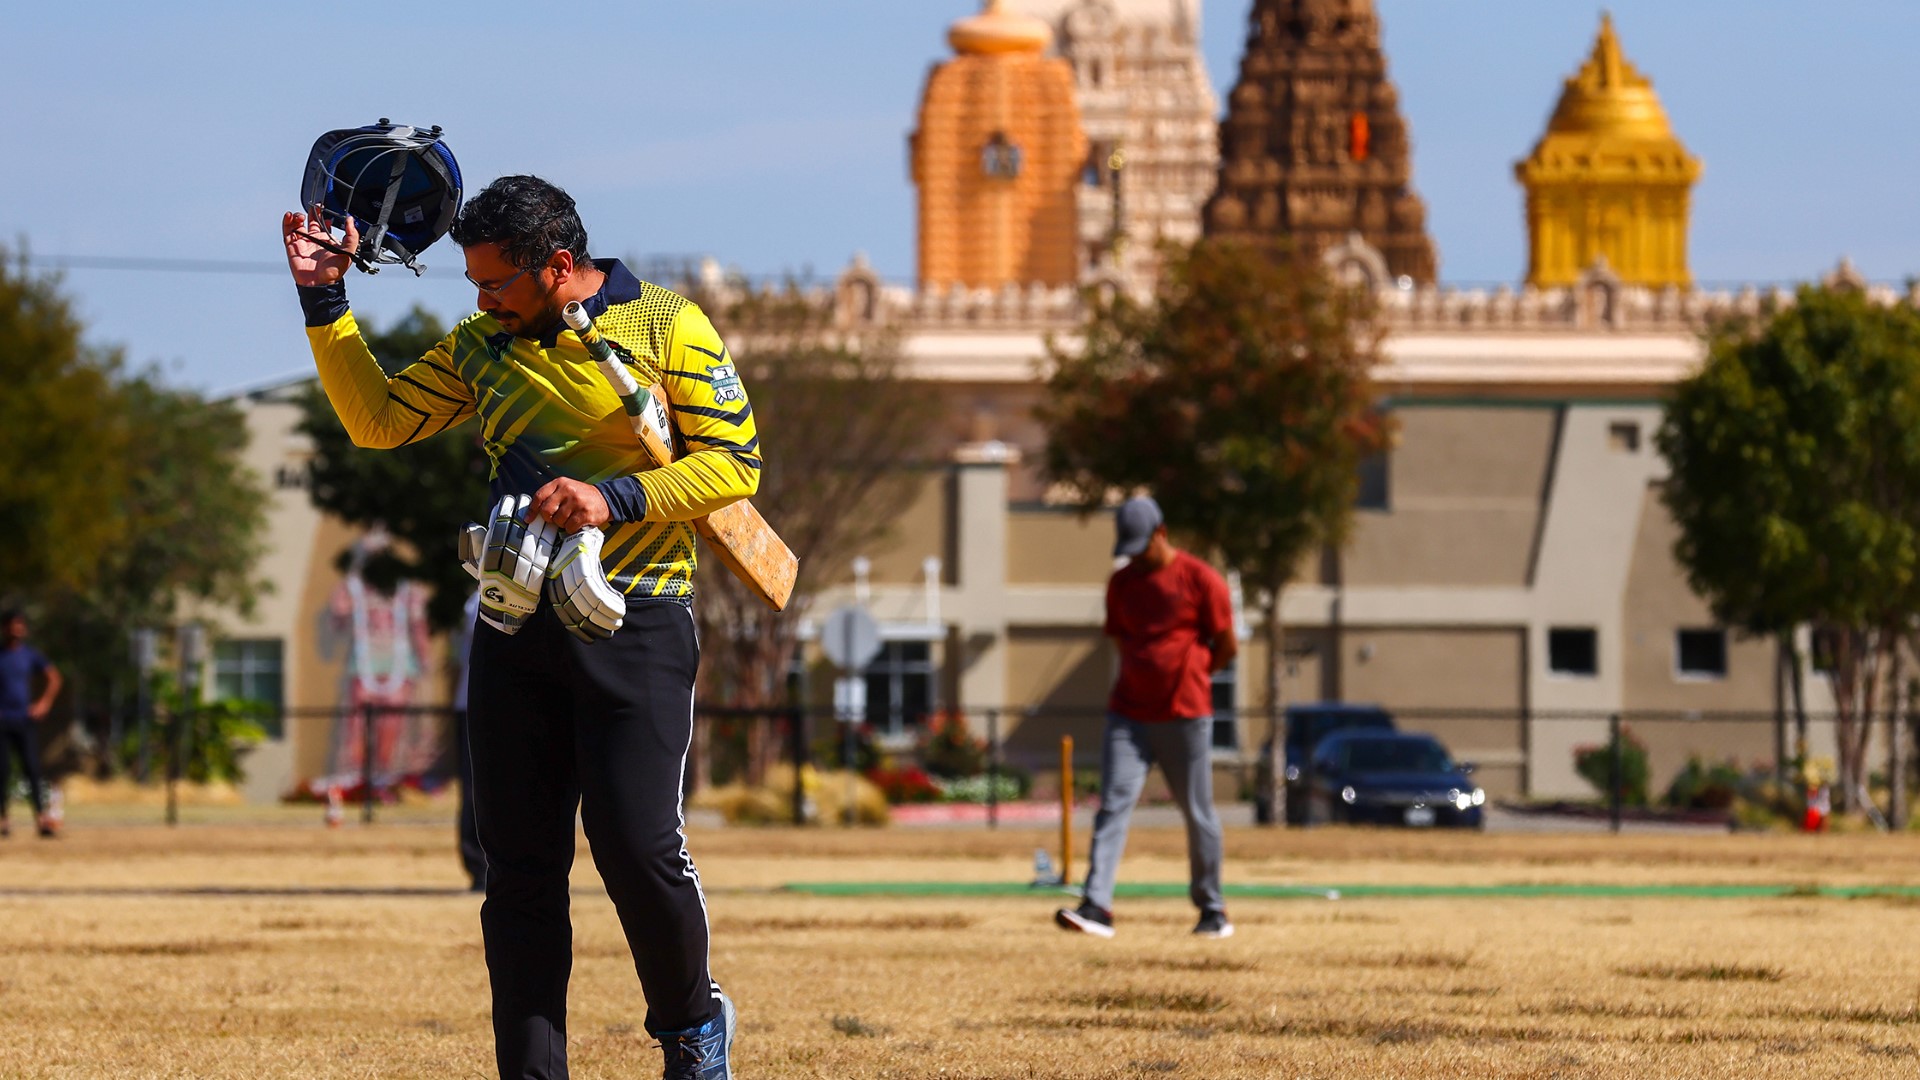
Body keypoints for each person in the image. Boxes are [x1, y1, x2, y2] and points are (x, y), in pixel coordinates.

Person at [283, 175, 753, 1080]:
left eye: (496, 284)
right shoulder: (479, 348)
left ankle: (693, 1027)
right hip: (514, 618)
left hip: (640, 617)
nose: (482, 301)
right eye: (473, 284)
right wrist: (324, 301)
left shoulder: (668, 327)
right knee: (520, 873)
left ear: (560, 267)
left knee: (635, 846)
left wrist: (612, 498)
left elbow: (737, 468)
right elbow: (378, 420)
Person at [1056, 496, 1237, 939]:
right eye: (1129, 550)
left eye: (1143, 547)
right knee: (1113, 806)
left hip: (1185, 714)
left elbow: (1227, 644)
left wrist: (1194, 672)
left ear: (1162, 532)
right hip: (1129, 715)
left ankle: (1212, 910)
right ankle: (1097, 906)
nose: (1137, 558)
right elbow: (1120, 640)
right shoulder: (1120, 584)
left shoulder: (1201, 580)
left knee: (1198, 814)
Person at [0, 610, 61, 839]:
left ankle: (42, 818)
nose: (15, 629)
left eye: (19, 625)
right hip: (2, 722)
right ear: (4, 628)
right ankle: (3, 819)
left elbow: (54, 677)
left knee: (32, 770)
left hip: (24, 721)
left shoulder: (30, 655)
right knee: (2, 771)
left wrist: (44, 703)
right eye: (11, 625)